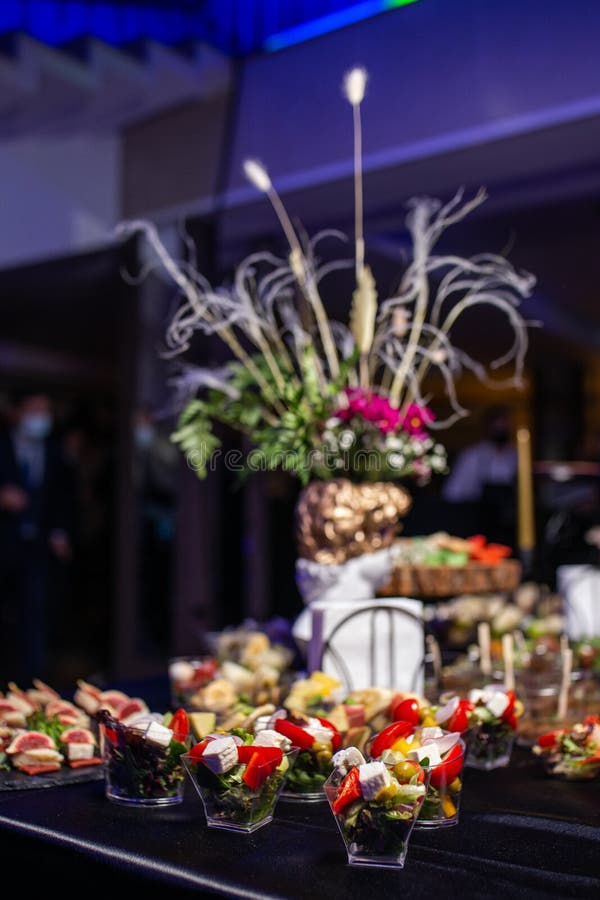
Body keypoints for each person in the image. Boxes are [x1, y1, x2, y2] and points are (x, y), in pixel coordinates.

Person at [0, 391, 74, 683]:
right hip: (5, 539)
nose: (41, 418)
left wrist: (59, 532)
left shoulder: (54, 451)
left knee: (34, 612)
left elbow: (62, 496)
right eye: (35, 410)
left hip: (38, 545)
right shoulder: (2, 444)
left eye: (46, 411)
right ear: (18, 412)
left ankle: (30, 682)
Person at [441, 405, 518, 545]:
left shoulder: (515, 456)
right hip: (477, 525)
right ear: (487, 426)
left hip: (509, 526)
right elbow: (452, 493)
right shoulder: (472, 456)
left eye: (505, 423)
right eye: (497, 423)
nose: (501, 427)